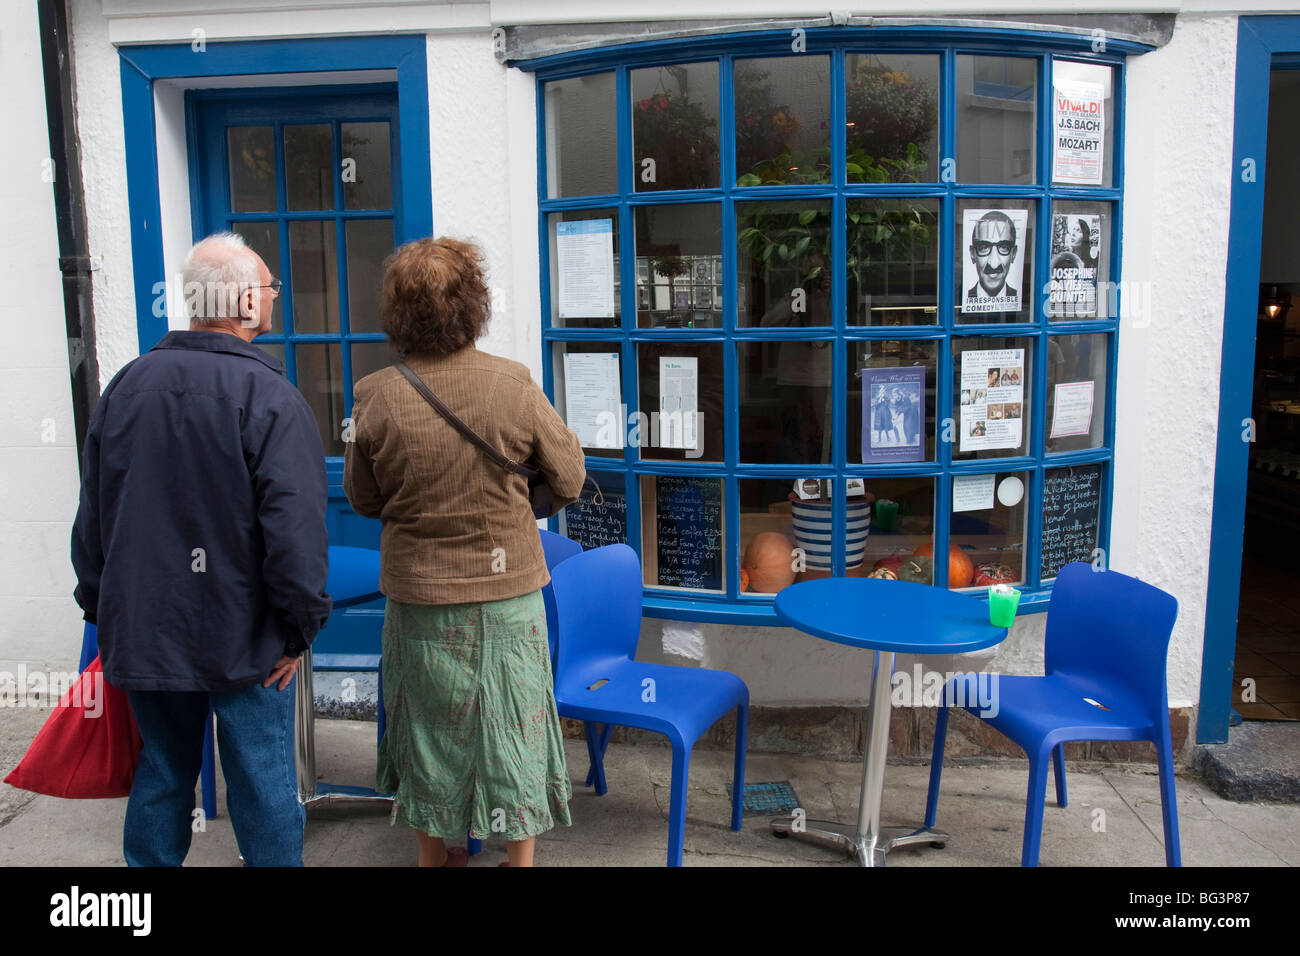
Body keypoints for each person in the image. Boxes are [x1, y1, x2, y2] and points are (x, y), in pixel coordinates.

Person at [71, 233, 331, 866]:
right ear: (244, 299)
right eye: (269, 286)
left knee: (161, 773)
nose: (274, 296)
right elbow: (294, 535)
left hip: (146, 626)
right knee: (263, 783)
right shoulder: (271, 398)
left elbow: (93, 521)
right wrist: (299, 631)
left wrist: (101, 610)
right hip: (246, 637)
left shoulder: (126, 388)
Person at [344, 237, 586, 868]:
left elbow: (362, 498)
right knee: (513, 727)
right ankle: (518, 863)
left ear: (396, 312)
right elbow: (568, 477)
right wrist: (522, 501)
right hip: (507, 598)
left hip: (420, 598)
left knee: (427, 731)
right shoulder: (512, 383)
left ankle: (437, 858)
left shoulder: (375, 395)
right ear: (474, 304)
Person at [966, 210, 1019, 305]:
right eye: (984, 248)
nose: (994, 264)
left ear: (1013, 254)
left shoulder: (1022, 298)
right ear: (972, 254)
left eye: (1003, 247)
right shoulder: (957, 298)